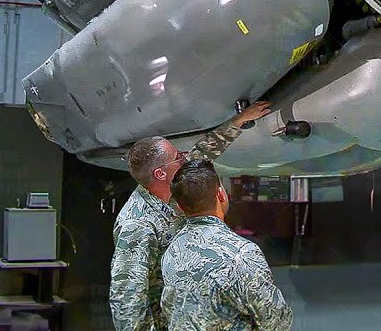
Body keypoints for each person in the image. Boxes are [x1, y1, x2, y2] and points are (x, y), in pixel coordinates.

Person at [109, 101, 272, 331]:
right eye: (178, 157)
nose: (185, 157)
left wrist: (238, 122)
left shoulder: (173, 187)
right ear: (160, 174)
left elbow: (200, 154)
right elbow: (126, 298)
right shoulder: (137, 225)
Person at [161, 160, 293, 331]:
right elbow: (276, 321)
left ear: (180, 206)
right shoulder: (241, 254)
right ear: (220, 194)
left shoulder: (171, 250)